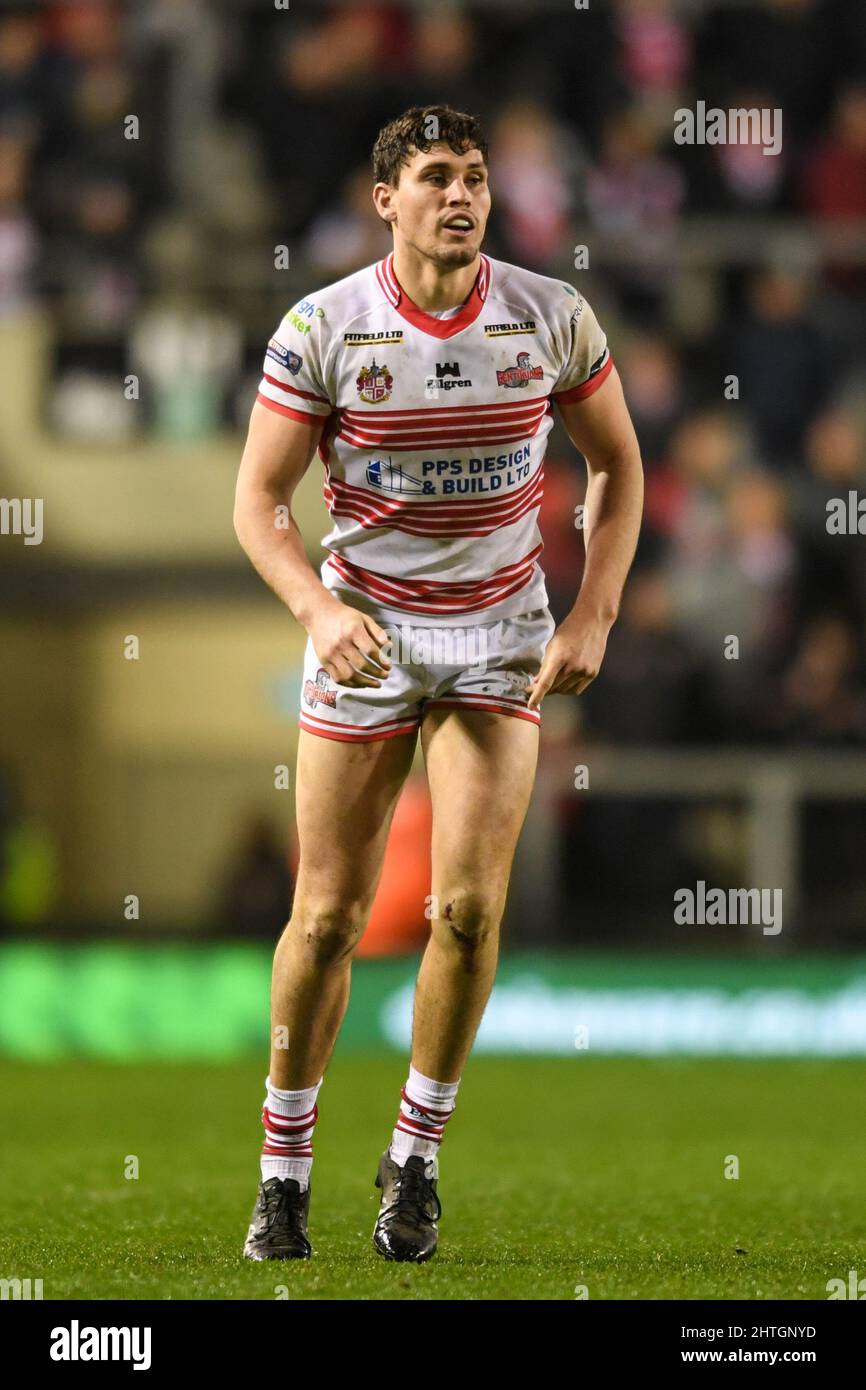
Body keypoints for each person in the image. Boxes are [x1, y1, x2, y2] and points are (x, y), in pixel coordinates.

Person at [233, 104, 643, 1263]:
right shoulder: (325, 327)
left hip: (495, 636)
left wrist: (593, 612)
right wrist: (318, 610)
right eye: (433, 179)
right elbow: (255, 502)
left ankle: (412, 1160)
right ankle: (284, 1169)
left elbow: (616, 460)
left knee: (463, 910)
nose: (459, 196)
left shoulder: (549, 314)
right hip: (364, 635)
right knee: (326, 919)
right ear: (386, 200)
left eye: (472, 176)